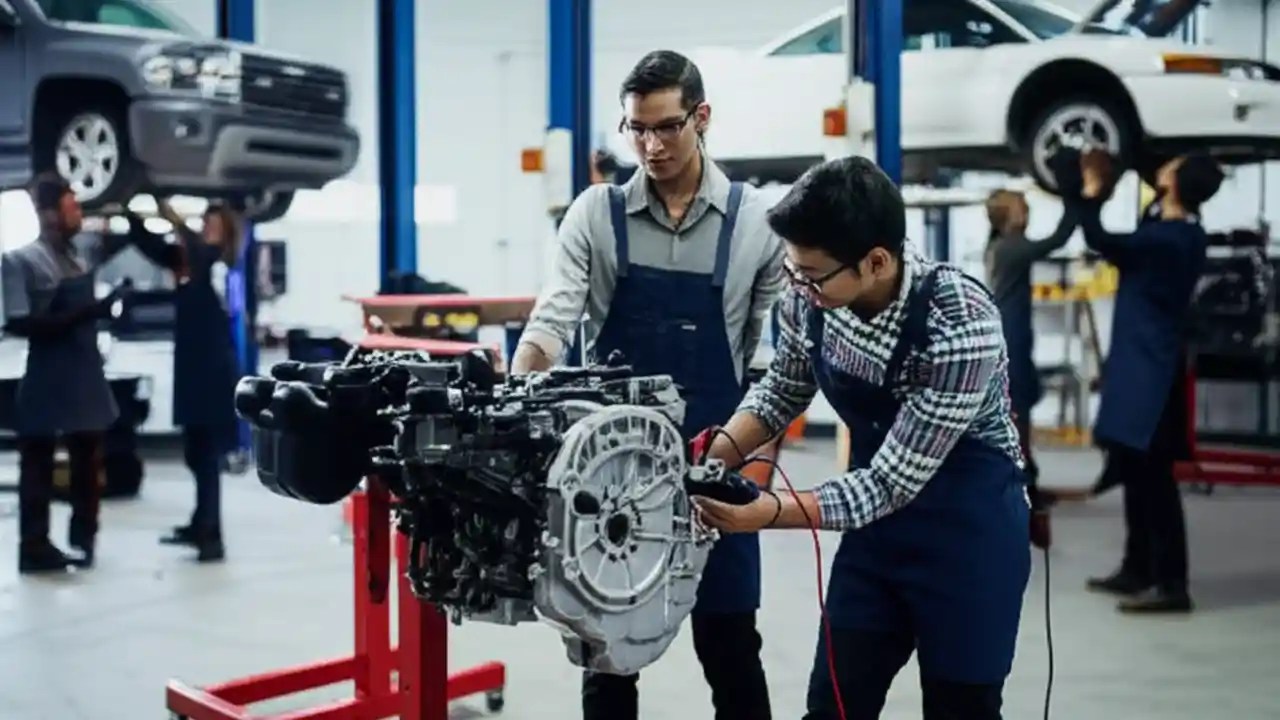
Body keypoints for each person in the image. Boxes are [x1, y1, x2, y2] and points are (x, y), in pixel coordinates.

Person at [694, 156, 1030, 719]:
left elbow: (887, 485)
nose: (798, 284)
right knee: (833, 707)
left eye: (812, 275)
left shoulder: (959, 321)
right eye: (792, 270)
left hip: (968, 538)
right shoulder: (810, 293)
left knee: (961, 708)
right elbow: (781, 391)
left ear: (876, 261)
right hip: (876, 541)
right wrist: (707, 456)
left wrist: (766, 512)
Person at [511, 50, 785, 720]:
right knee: (606, 652)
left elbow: (771, 367)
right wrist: (519, 395)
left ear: (702, 117)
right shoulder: (594, 214)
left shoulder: (757, 223)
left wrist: (756, 479)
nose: (651, 145)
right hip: (610, 470)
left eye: (667, 127)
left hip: (715, 459)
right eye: (637, 129)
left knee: (728, 641)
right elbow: (552, 321)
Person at [1069, 149, 1223, 613]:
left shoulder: (1166, 241)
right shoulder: (1177, 230)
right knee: (1137, 473)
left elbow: (1099, 238)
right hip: (1143, 367)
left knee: (1155, 480)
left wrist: (1092, 192)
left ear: (1175, 185)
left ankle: (1172, 583)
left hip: (1151, 376)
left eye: (1170, 167)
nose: (1162, 169)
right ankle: (1137, 568)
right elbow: (1151, 212)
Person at [1, 174, 129, 573]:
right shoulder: (19, 261)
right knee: (37, 464)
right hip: (44, 375)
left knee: (88, 462)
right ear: (49, 215)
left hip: (84, 372)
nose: (78, 215)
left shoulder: (81, 257)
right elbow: (21, 323)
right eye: (72, 208)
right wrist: (88, 311)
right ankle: (34, 546)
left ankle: (84, 538)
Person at [123, 196, 241, 563]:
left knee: (204, 456)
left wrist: (164, 208)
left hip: (211, 375)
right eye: (204, 224)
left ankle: (210, 535)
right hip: (197, 372)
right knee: (195, 452)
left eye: (212, 225)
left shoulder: (217, 261)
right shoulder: (196, 261)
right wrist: (130, 214)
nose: (206, 231)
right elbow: (155, 248)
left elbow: (189, 246)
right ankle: (201, 523)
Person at [983, 187, 1078, 547]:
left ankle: (1029, 488)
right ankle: (1023, 497)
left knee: (1021, 417)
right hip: (1012, 346)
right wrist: (1079, 197)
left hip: (1014, 342)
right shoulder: (1011, 248)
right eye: (1023, 208)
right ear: (1010, 216)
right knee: (1018, 422)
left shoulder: (1001, 246)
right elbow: (1058, 238)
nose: (1029, 213)